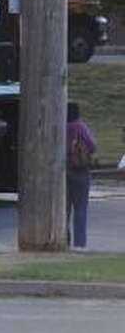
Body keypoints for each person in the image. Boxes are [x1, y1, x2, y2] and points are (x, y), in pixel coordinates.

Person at [66, 102, 97, 251]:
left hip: (63, 171)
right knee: (80, 209)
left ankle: (63, 240)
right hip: (80, 171)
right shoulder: (80, 127)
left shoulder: (59, 127)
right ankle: (79, 244)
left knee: (64, 209)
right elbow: (92, 146)